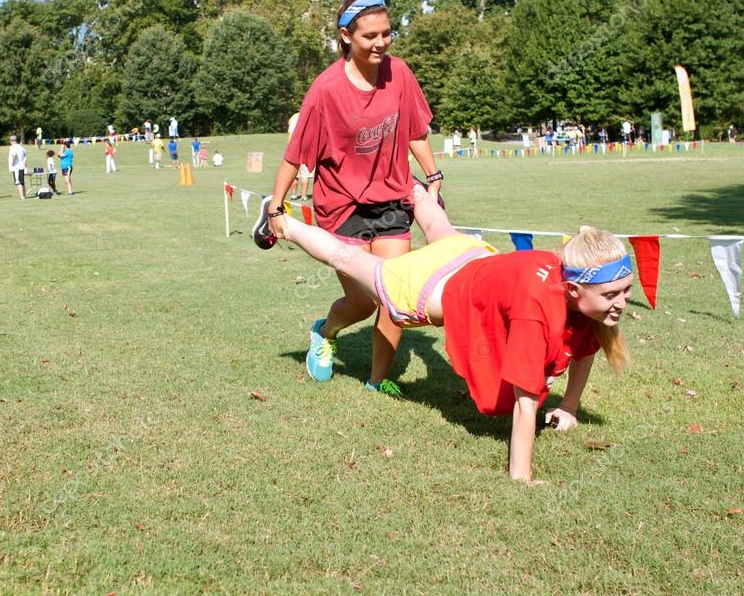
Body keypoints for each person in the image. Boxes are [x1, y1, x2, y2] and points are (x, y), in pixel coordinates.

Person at [253, 182, 633, 482]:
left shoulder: (567, 278)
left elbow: (586, 346)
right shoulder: (539, 310)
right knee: (347, 258)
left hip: (472, 255)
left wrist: (568, 408)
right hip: (431, 286)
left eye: (626, 290)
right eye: (612, 294)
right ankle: (280, 222)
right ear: (573, 290)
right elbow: (525, 401)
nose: (622, 302)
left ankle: (416, 191)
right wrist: (522, 477)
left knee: (439, 228)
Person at [263, 0, 439, 397]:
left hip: (393, 199)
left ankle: (377, 381)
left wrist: (433, 174)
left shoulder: (400, 74)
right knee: (363, 302)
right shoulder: (325, 90)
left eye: (387, 33)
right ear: (346, 35)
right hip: (342, 207)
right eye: (370, 36)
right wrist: (276, 207)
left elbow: (415, 131)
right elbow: (295, 156)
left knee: (394, 294)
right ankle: (326, 331)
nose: (381, 43)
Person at [8, 134, 27, 200]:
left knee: (18, 182)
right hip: (21, 166)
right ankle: (24, 195)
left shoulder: (13, 147)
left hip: (16, 167)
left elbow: (14, 155)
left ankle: (22, 196)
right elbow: (25, 153)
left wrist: (13, 162)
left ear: (11, 141)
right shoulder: (20, 146)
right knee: (22, 182)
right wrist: (24, 161)